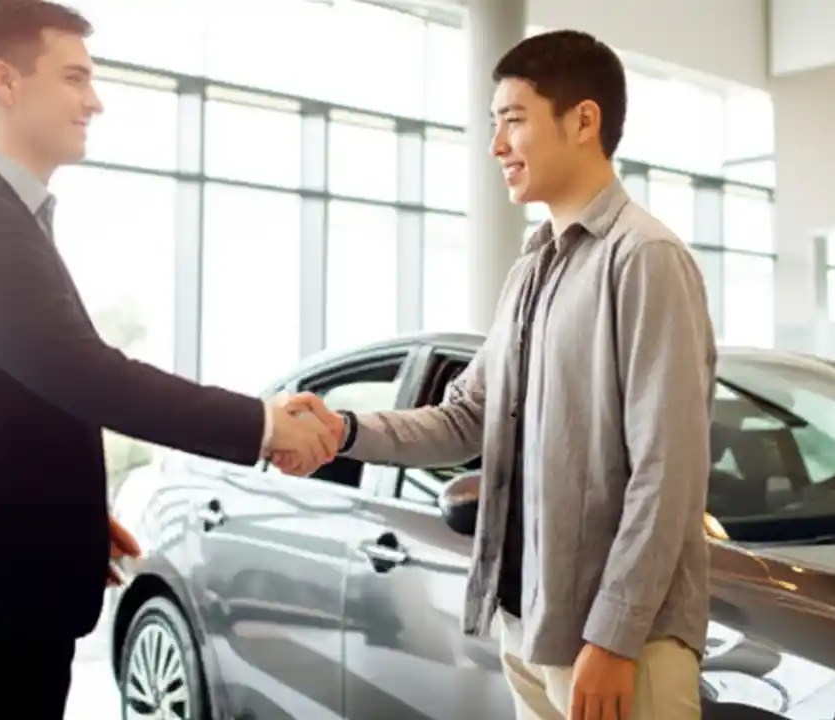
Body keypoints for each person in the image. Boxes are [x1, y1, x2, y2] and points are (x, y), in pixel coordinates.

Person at [0, 1, 335, 717]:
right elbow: (90, 376)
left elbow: (15, 400)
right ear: (6, 81)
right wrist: (264, 424)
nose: (96, 100)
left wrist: (74, 509)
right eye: (75, 77)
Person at [275, 30, 715, 720]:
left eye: (513, 119)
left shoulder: (645, 259)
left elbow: (669, 470)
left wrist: (614, 636)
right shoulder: (532, 268)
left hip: (617, 645)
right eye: (493, 124)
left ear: (583, 121)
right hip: (530, 626)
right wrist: (345, 428)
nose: (496, 146)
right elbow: (464, 417)